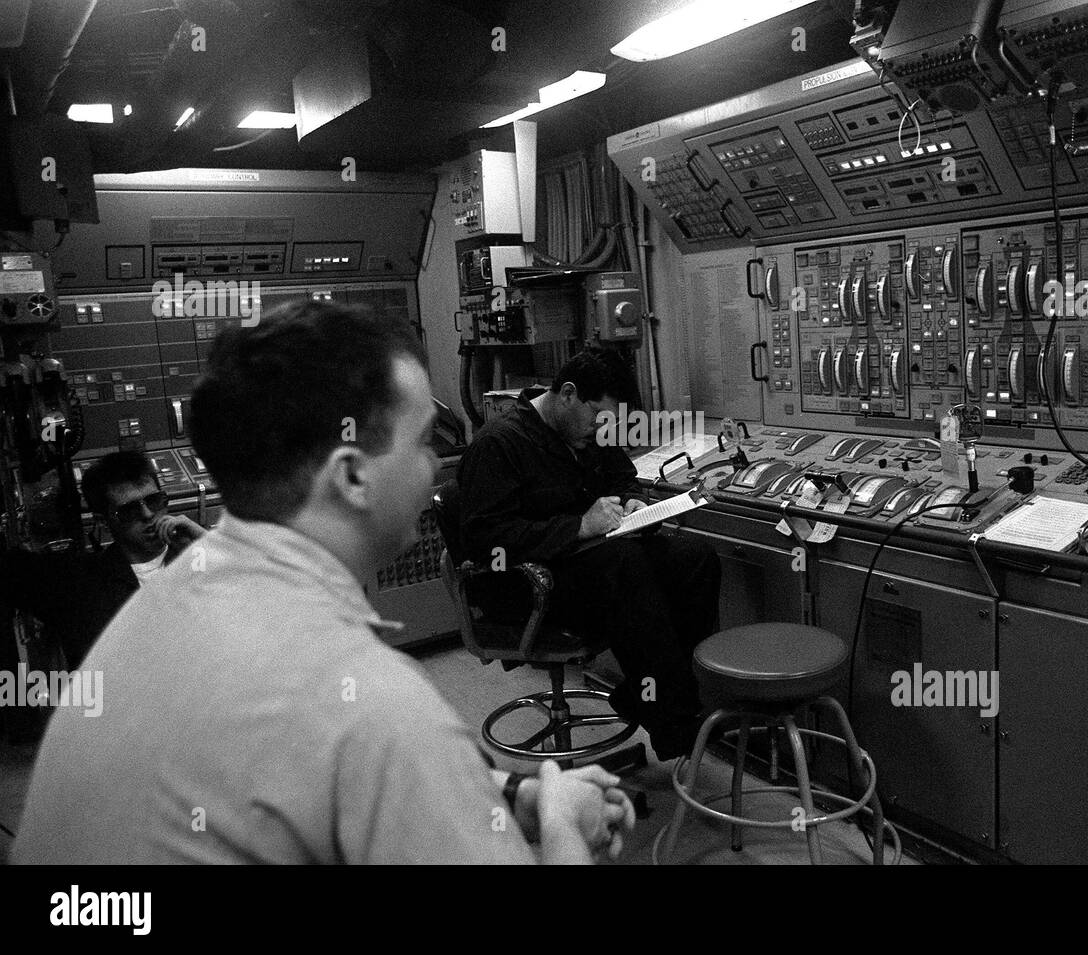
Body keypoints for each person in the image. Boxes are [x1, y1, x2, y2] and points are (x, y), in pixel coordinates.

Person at [13, 300, 633, 864]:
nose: (436, 471)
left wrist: (510, 792)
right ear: (352, 477)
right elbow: (367, 744)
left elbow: (305, 766)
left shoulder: (175, 597)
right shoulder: (375, 705)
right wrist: (561, 826)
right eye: (422, 443)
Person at [457, 348, 721, 760]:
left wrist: (634, 505)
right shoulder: (499, 444)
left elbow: (624, 479)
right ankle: (676, 722)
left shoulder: (590, 432)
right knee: (625, 567)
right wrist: (579, 526)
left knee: (696, 556)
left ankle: (644, 694)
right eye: (598, 416)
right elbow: (485, 539)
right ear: (567, 394)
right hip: (528, 586)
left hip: (595, 567)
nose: (603, 428)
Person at [0, 450, 204, 669]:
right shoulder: (79, 585)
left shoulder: (200, 558)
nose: (147, 514)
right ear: (104, 522)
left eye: (154, 500)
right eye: (129, 510)